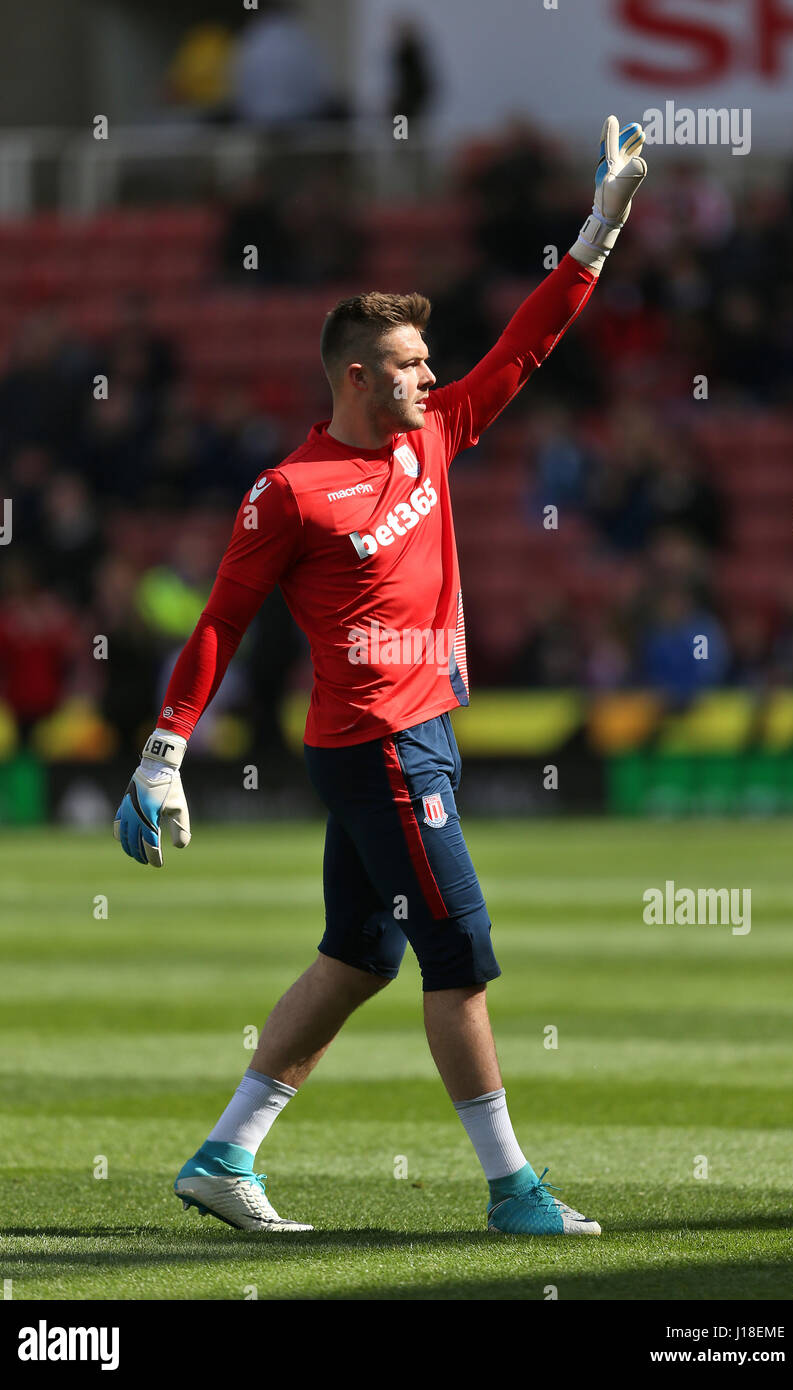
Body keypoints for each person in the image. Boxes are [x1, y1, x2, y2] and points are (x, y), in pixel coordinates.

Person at [114, 118, 647, 1236]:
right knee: (459, 957)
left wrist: (597, 228)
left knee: (357, 955)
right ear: (358, 376)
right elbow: (222, 619)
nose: (431, 376)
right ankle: (514, 1191)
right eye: (409, 364)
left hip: (420, 733)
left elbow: (527, 347)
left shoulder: (436, 433)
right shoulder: (291, 491)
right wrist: (164, 752)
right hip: (378, 749)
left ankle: (226, 1154)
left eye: (427, 361)